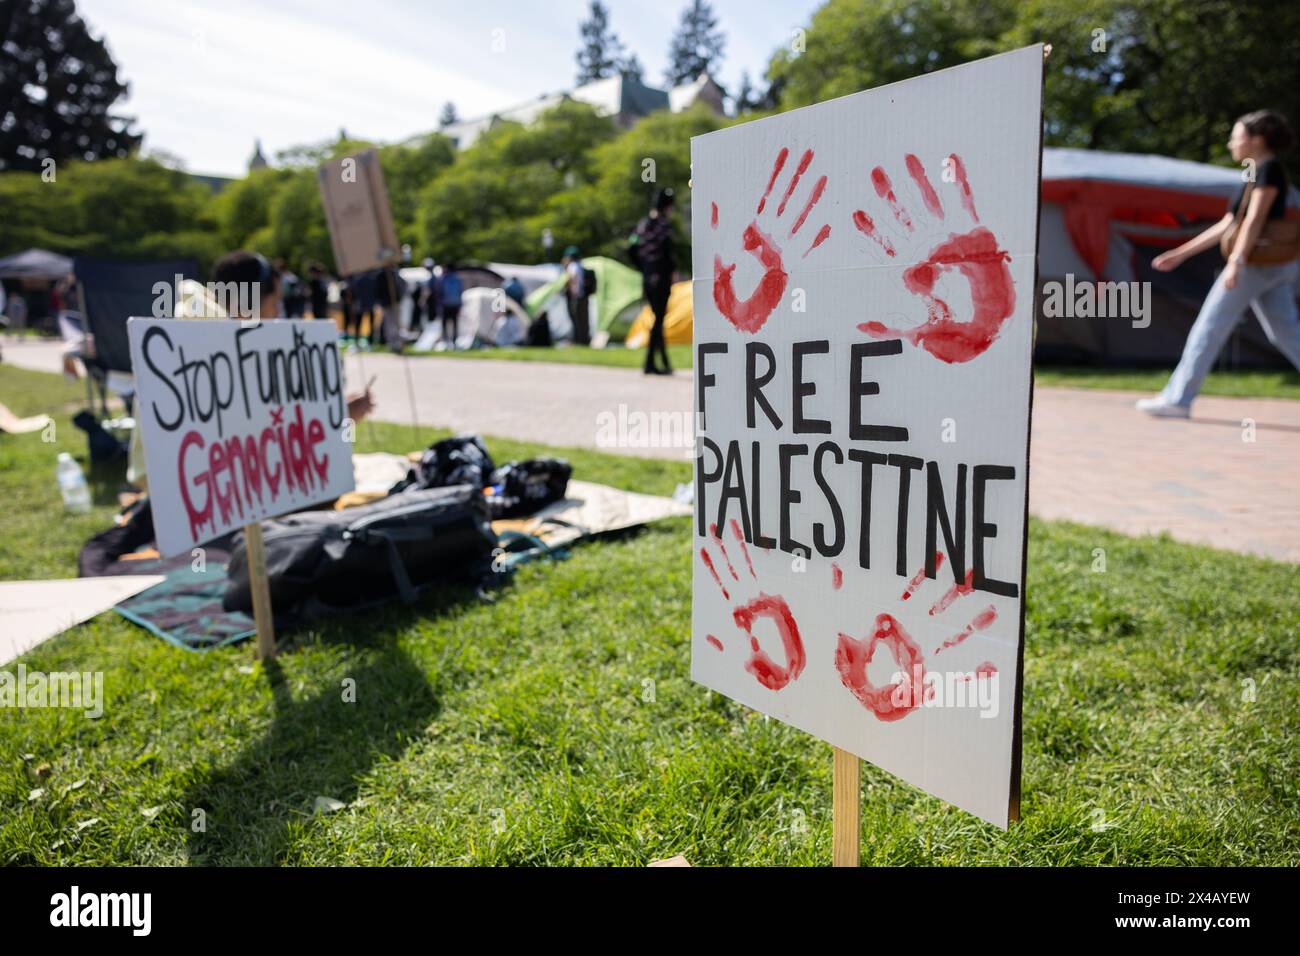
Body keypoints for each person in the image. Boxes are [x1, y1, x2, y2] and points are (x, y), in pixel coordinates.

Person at [1136, 110, 1300, 417]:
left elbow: (1254, 219)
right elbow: (1229, 222)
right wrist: (1181, 253)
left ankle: (1178, 400)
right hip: (1270, 265)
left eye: (1236, 136)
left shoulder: (1268, 170)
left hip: (1253, 264)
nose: (1230, 144)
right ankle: (1177, 398)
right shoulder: (1254, 171)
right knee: (1286, 333)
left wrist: (1237, 262)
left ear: (1256, 140)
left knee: (1209, 327)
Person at [629, 187, 677, 375]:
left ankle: (663, 362)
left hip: (648, 277)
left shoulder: (642, 225)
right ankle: (650, 363)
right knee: (658, 319)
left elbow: (631, 248)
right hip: (661, 277)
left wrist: (644, 267)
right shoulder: (662, 226)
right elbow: (667, 252)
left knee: (658, 318)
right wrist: (670, 271)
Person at [561, 245, 591, 346]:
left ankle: (577, 341)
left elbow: (570, 279)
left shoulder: (572, 266)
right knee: (584, 321)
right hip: (584, 297)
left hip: (575, 297)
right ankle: (584, 340)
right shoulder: (581, 266)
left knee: (575, 320)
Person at [440, 265, 463, 349]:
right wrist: (460, 305)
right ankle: (454, 341)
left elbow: (440, 292)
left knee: (444, 324)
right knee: (455, 324)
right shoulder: (457, 279)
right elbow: (460, 292)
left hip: (445, 304)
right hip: (455, 304)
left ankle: (445, 341)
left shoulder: (443, 278)